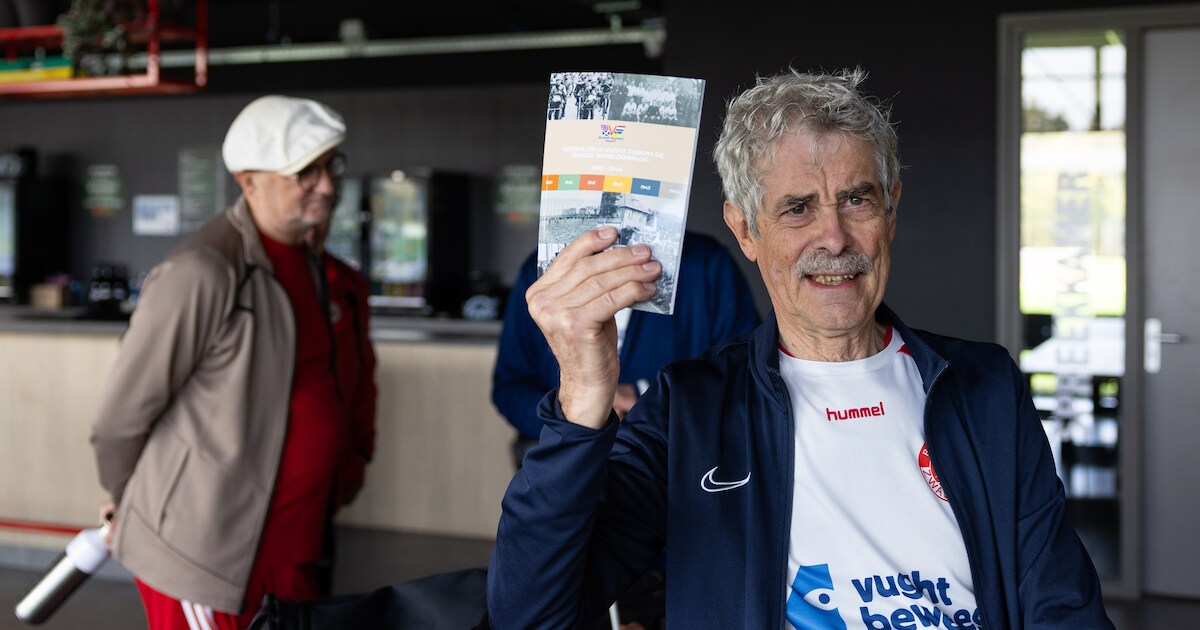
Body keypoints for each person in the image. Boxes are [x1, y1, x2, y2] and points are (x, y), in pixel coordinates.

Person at [487, 68, 1113, 628]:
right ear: (746, 230)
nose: (834, 237)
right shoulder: (691, 409)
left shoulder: (986, 386)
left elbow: (1062, 604)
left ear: (891, 211)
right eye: (797, 208)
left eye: (857, 199)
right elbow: (532, 613)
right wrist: (584, 394)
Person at [90, 95, 377, 630]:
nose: (328, 185)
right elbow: (120, 418)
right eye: (305, 172)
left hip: (296, 545)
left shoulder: (312, 265)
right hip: (211, 556)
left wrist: (350, 464)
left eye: (330, 165)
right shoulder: (203, 271)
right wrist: (131, 501)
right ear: (249, 180)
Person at [492, 231, 761, 469]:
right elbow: (510, 388)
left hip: (677, 470)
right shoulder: (544, 273)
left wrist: (642, 396)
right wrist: (578, 413)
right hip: (570, 467)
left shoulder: (704, 264)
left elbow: (745, 379)